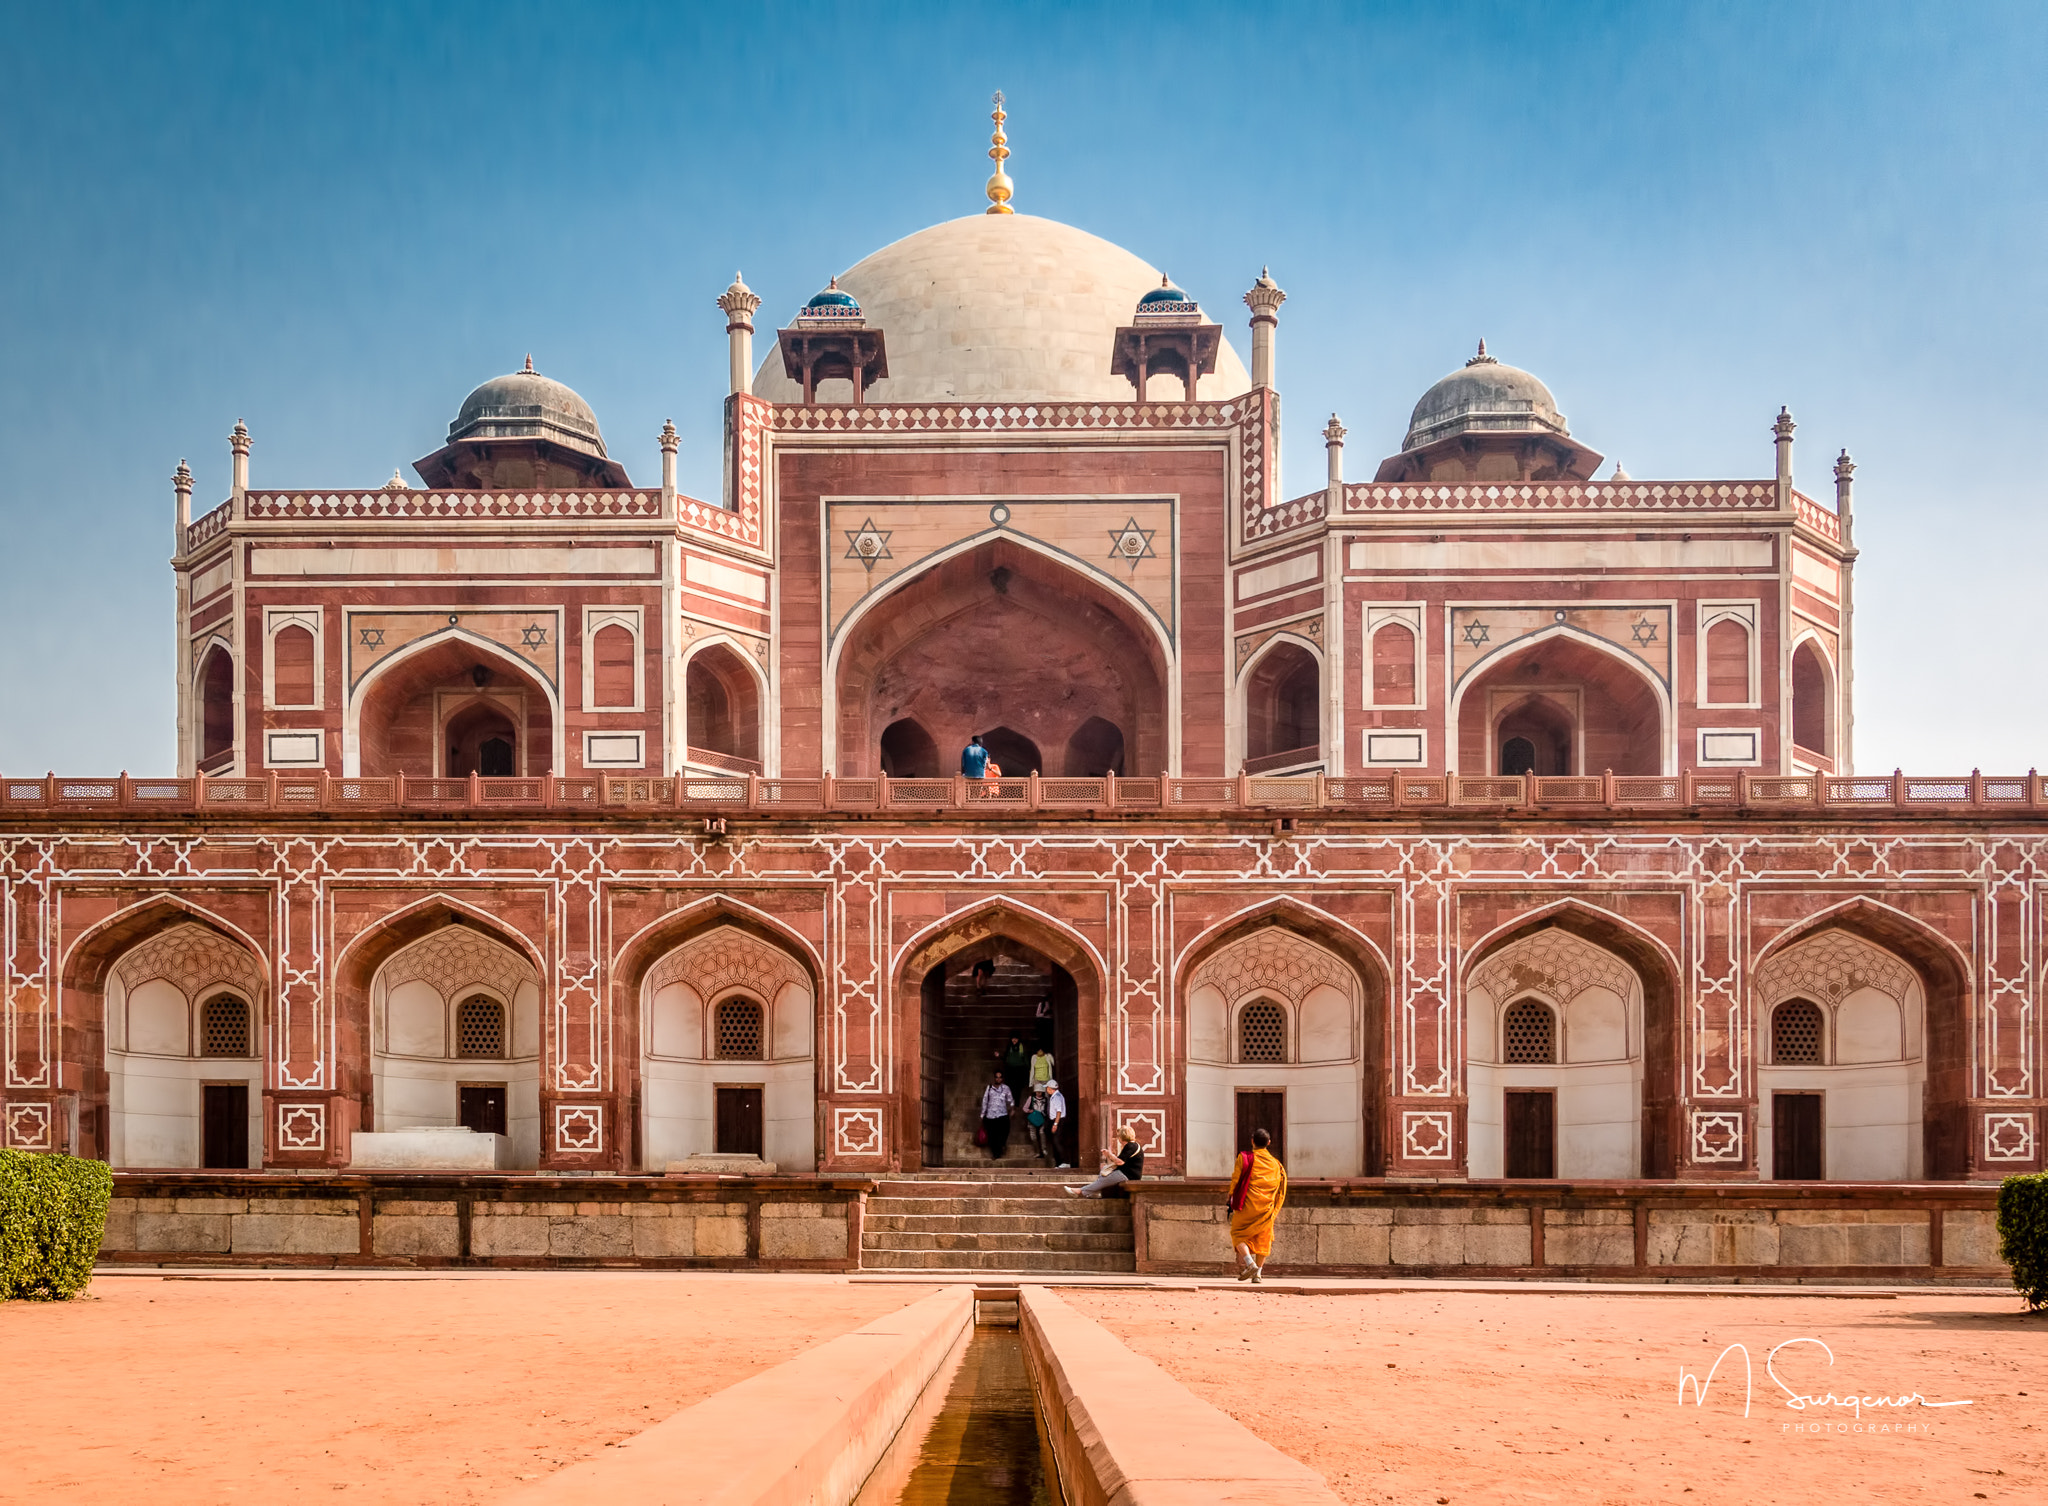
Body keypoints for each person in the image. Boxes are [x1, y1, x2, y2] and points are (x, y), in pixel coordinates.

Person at [1226, 1126, 1289, 1284]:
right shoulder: (1276, 1165)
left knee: (1237, 1233)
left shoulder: (1244, 1157)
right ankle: (1258, 1274)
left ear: (1252, 1141)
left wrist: (1230, 1196)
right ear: (1269, 1142)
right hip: (1266, 1208)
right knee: (1263, 1240)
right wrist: (1274, 1209)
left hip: (1247, 1205)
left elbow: (1236, 1179)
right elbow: (1281, 1189)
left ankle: (1250, 1263)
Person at [1068, 1123, 1143, 1197]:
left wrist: (1109, 1155)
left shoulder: (1130, 1146)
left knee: (1103, 1180)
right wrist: (1109, 1155)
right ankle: (1092, 1192)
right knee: (1104, 1173)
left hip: (1128, 1175)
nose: (1118, 1139)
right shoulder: (1132, 1145)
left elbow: (1120, 1162)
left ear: (1122, 1137)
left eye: (1118, 1136)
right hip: (1126, 1173)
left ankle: (1080, 1191)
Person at [979, 1067, 1014, 1159]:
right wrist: (983, 1114)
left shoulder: (1006, 1088)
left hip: (1002, 1115)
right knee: (992, 1136)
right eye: (996, 1077)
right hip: (990, 1115)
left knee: (1003, 1133)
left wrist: (1012, 1108)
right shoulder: (989, 1088)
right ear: (994, 1078)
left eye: (1000, 1077)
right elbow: (985, 1100)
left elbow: (1010, 1100)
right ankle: (995, 1153)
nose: (998, 1079)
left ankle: (1001, 1146)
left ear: (1002, 1078)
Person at [1042, 1078, 1069, 1166]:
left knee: (1057, 1141)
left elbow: (1059, 1111)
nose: (1046, 1090)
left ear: (1050, 1088)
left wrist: (1055, 1124)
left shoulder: (1057, 1097)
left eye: (1047, 1088)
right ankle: (1059, 1163)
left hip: (1058, 1121)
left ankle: (1065, 1162)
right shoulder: (1054, 1097)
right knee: (1054, 1142)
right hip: (1054, 1121)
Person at [1003, 1034, 1029, 1099]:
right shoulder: (1009, 1047)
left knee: (1018, 1088)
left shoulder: (1021, 1047)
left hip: (1019, 1070)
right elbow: (1005, 1057)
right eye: (1013, 1039)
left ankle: (1016, 1104)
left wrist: (1029, 1068)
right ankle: (1012, 1104)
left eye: (1016, 1039)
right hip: (1010, 1069)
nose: (1014, 1040)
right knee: (1011, 1087)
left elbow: (1025, 1058)